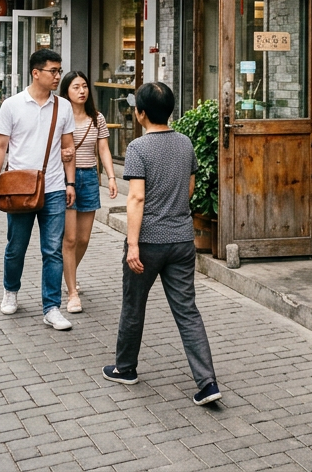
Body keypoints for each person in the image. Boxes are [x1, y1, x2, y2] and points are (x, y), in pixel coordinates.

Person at [103, 81, 221, 406]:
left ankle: (125, 368)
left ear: (140, 114)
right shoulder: (185, 143)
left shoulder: (139, 149)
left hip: (149, 241)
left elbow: (137, 198)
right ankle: (207, 382)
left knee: (133, 306)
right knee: (187, 312)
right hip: (182, 239)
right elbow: (189, 188)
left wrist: (133, 244)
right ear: (169, 111)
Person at [0, 49, 78, 331]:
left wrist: (70, 182)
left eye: (59, 70)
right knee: (16, 247)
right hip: (19, 189)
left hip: (54, 188)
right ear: (36, 73)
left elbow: (68, 148)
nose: (57, 76)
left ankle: (51, 308)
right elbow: (0, 147)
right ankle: (10, 290)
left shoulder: (63, 107)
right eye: (53, 71)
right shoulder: (12, 105)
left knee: (53, 250)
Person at [57, 71, 118, 313]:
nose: (82, 91)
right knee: (69, 239)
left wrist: (111, 177)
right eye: (76, 87)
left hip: (89, 178)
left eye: (84, 86)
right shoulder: (60, 116)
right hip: (65, 179)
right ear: (66, 92)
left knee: (83, 239)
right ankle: (72, 292)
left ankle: (67, 273)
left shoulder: (97, 118)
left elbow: (103, 150)